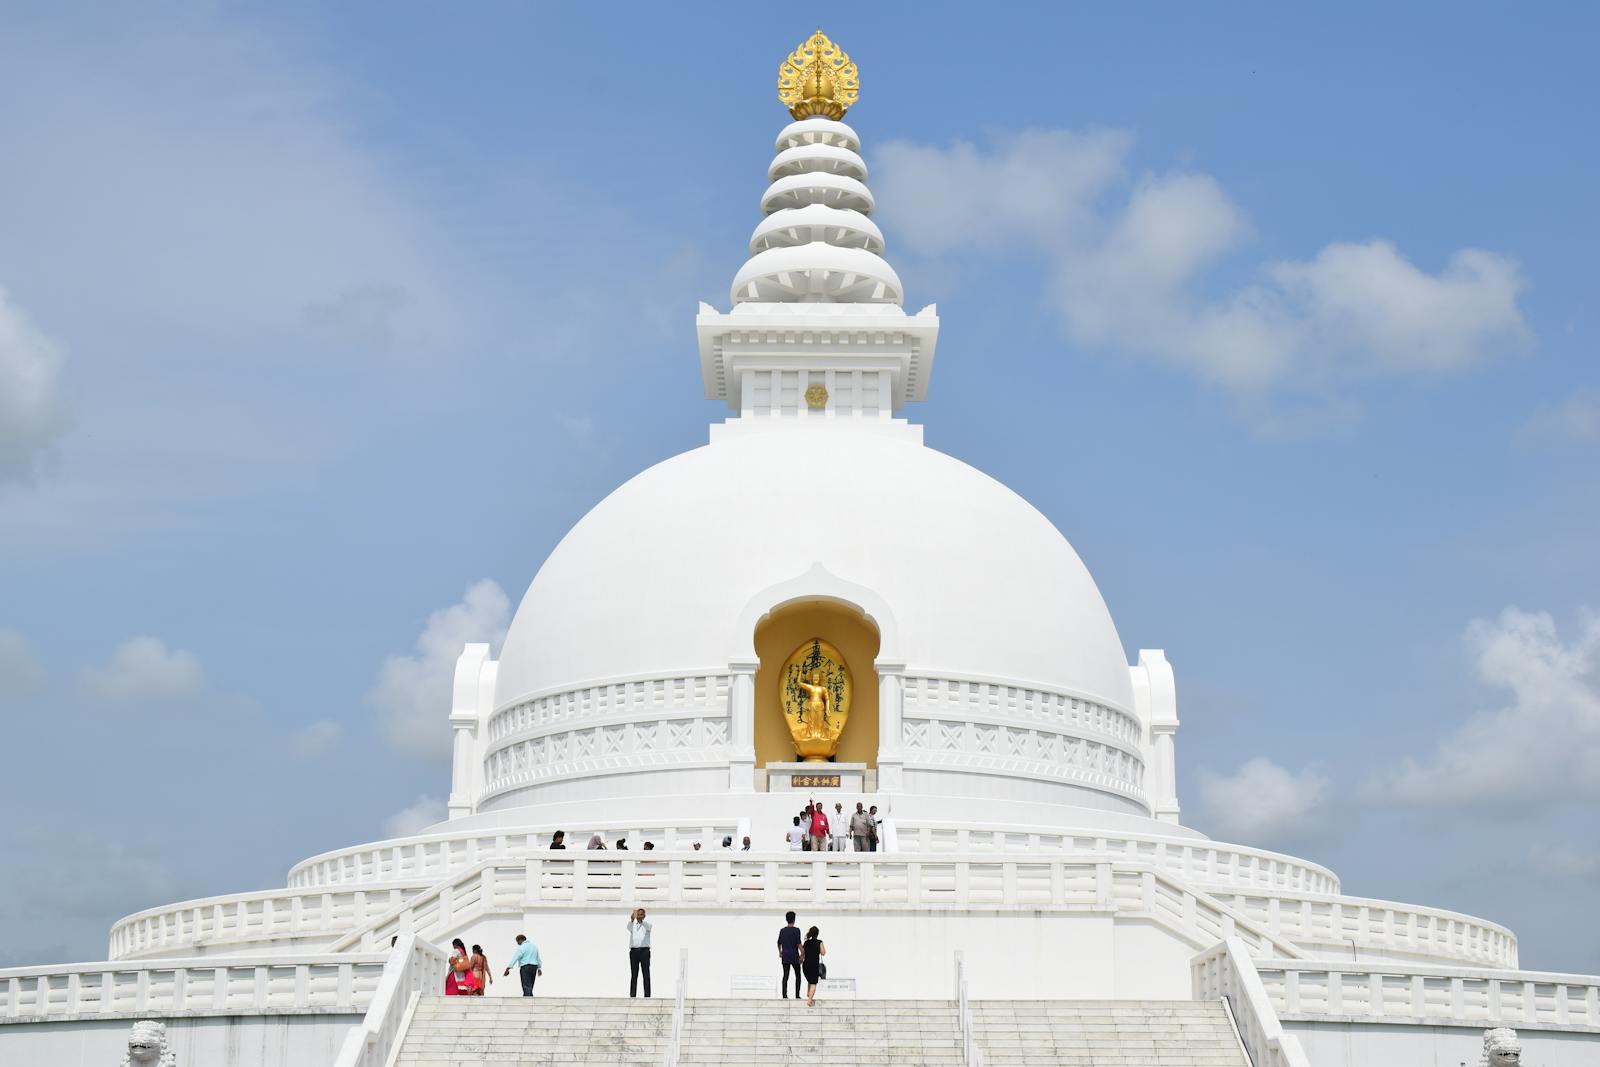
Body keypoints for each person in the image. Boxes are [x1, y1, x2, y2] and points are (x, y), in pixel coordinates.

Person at [627, 908, 652, 997]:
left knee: (646, 973)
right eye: (638, 914)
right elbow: (628, 927)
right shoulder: (632, 925)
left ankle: (647, 995)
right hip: (634, 952)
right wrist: (632, 919)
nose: (639, 916)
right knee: (634, 974)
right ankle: (632, 994)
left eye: (641, 914)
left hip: (644, 951)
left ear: (644, 916)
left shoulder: (647, 925)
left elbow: (648, 926)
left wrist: (642, 920)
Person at [777, 911, 802, 999]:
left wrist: (780, 952)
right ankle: (797, 995)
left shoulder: (782, 931)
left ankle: (784, 995)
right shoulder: (796, 930)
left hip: (785, 955)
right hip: (794, 955)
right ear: (794, 919)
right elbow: (799, 944)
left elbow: (778, 942)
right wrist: (802, 954)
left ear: (786, 919)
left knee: (785, 975)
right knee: (798, 975)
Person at [802, 925, 826, 1007]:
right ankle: (809, 1001)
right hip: (814, 965)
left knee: (810, 979)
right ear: (817, 934)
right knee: (813, 983)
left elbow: (803, 954)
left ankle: (809, 993)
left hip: (805, 965)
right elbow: (823, 953)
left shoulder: (806, 943)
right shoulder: (819, 942)